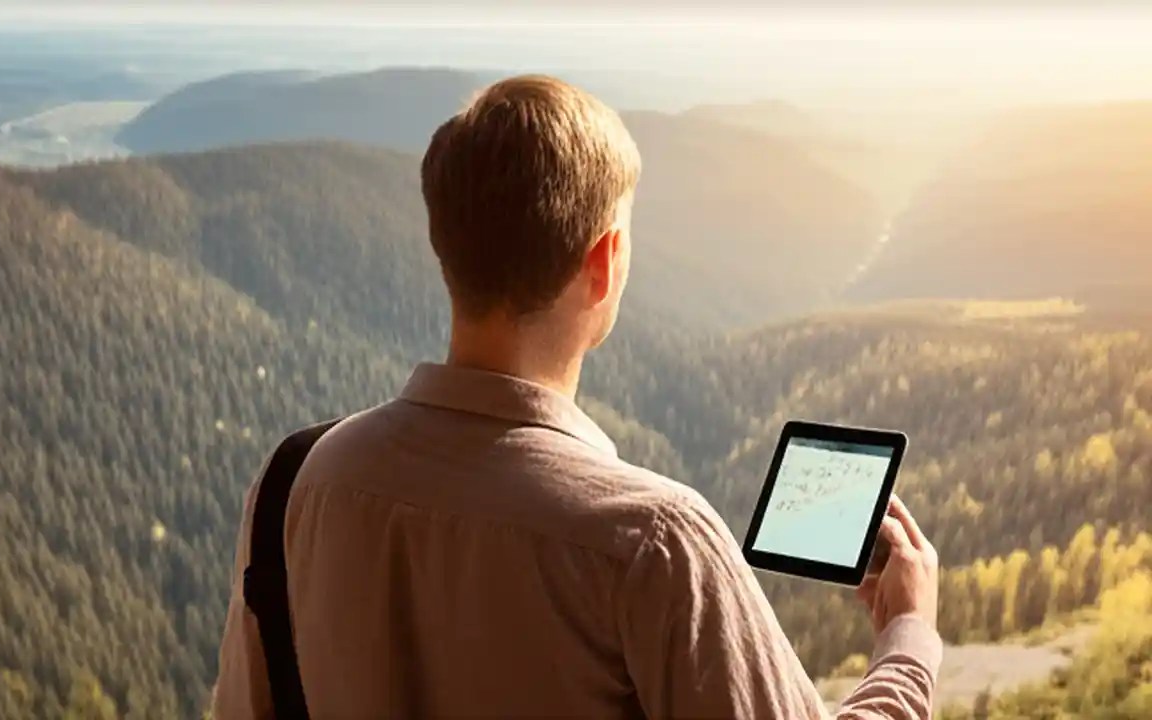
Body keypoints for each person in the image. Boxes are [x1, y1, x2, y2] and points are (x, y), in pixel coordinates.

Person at [212, 74, 942, 719]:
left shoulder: (293, 485)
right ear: (604, 264)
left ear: (445, 243)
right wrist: (907, 638)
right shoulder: (654, 541)